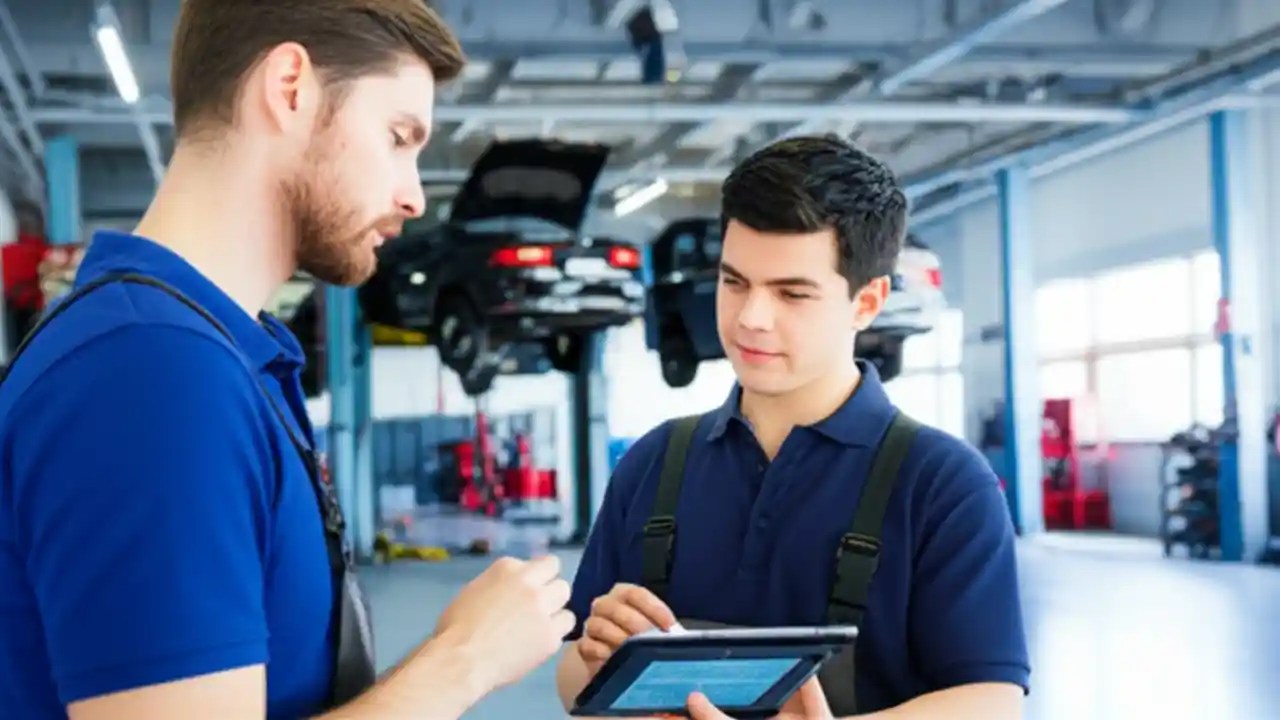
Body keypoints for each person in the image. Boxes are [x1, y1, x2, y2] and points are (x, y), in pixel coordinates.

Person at [0, 2, 575, 719]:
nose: (415, 194)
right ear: (291, 87)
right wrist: (464, 662)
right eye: (398, 138)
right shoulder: (152, 374)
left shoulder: (221, 357)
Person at [555, 136, 1030, 719]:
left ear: (867, 302)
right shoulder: (654, 463)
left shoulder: (942, 484)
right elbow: (573, 673)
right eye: (735, 283)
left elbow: (992, 700)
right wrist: (598, 655)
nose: (751, 318)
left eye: (792, 293)